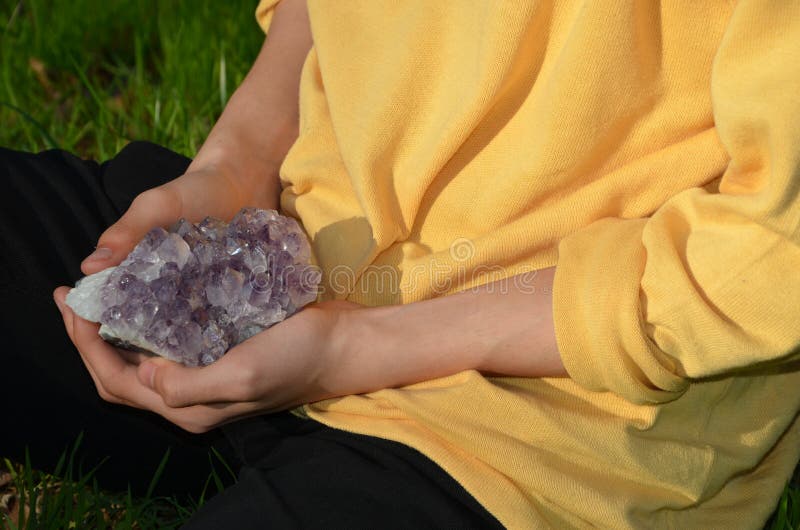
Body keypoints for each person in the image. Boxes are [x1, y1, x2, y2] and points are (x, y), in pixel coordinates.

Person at [4, 0, 800, 527]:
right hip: (281, 229)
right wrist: (237, 162)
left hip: (545, 423)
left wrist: (350, 351)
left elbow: (771, 255)